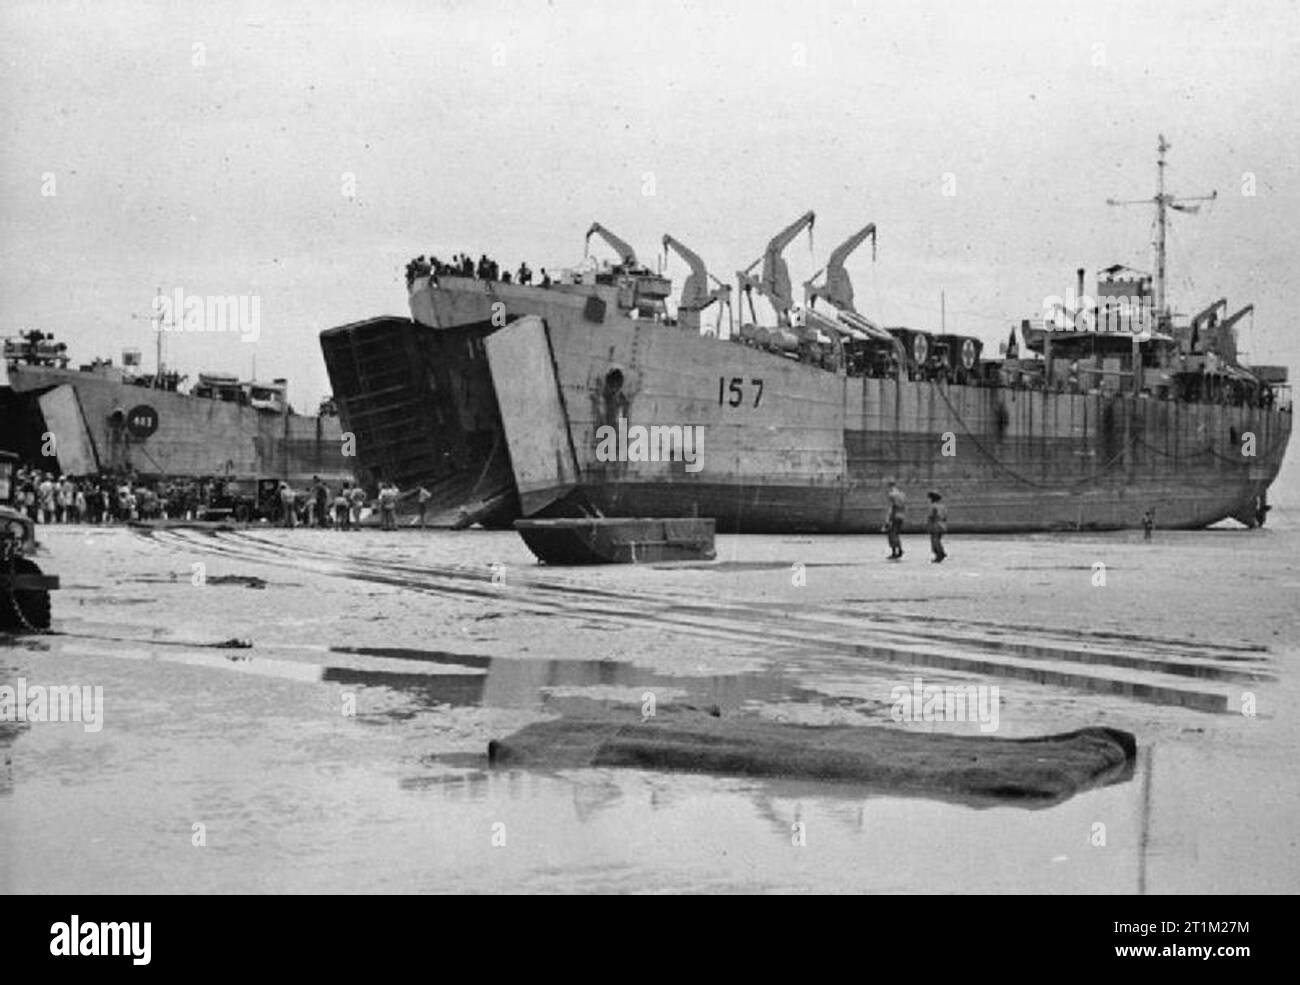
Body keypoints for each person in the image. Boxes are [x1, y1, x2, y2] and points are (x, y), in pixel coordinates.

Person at [883, 479, 906, 560]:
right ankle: (899, 549)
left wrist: (887, 520)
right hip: (901, 516)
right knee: (896, 534)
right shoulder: (902, 494)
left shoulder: (891, 495)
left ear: (889, 486)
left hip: (894, 516)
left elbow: (890, 508)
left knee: (891, 534)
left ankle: (894, 552)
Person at [927, 491, 947, 563]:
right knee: (938, 539)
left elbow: (931, 516)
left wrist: (929, 525)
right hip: (942, 524)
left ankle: (939, 554)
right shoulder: (943, 506)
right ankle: (940, 552)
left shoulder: (933, 506)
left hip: (935, 524)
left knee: (934, 540)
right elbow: (945, 517)